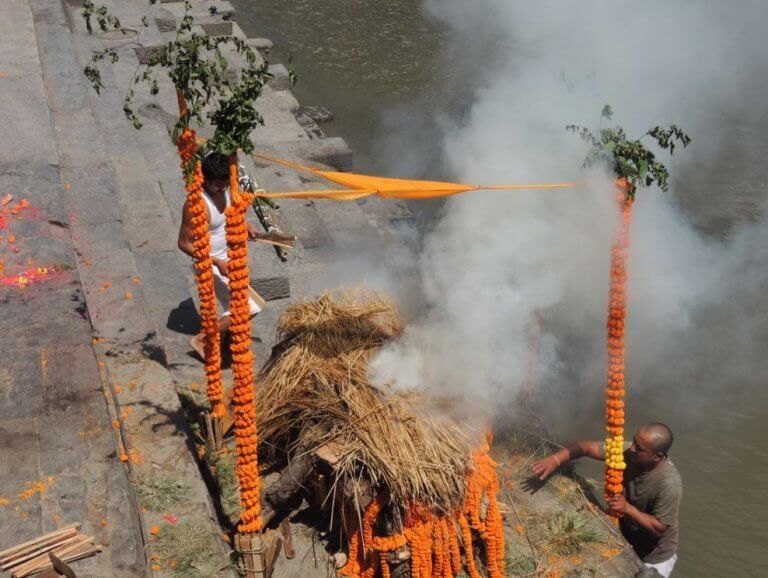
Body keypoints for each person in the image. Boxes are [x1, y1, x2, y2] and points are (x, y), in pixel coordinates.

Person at [532, 423, 682, 577]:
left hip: (654, 555)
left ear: (657, 457)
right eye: (634, 441)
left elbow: (660, 528)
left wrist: (627, 508)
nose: (632, 448)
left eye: (640, 448)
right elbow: (587, 447)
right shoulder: (629, 452)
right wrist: (555, 460)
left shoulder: (669, 484)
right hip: (627, 535)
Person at [178, 152, 264, 358]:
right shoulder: (195, 204)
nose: (222, 188)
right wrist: (216, 263)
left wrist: (246, 226)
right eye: (217, 184)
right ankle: (203, 338)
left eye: (225, 184)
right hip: (209, 264)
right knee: (249, 307)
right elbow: (184, 244)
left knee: (240, 307)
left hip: (230, 260)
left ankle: (221, 342)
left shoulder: (227, 189)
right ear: (205, 178)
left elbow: (230, 217)